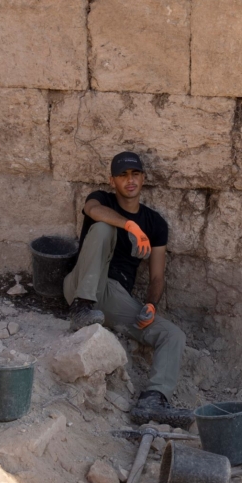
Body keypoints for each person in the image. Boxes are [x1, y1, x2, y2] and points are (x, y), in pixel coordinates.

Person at [63, 151, 193, 427]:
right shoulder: (102, 200)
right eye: (122, 175)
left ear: (143, 179)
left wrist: (151, 305)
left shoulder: (155, 223)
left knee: (172, 335)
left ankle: (153, 400)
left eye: (135, 174)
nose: (129, 180)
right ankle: (81, 308)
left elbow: (157, 275)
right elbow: (92, 211)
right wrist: (129, 225)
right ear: (113, 181)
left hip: (114, 298)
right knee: (103, 229)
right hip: (81, 285)